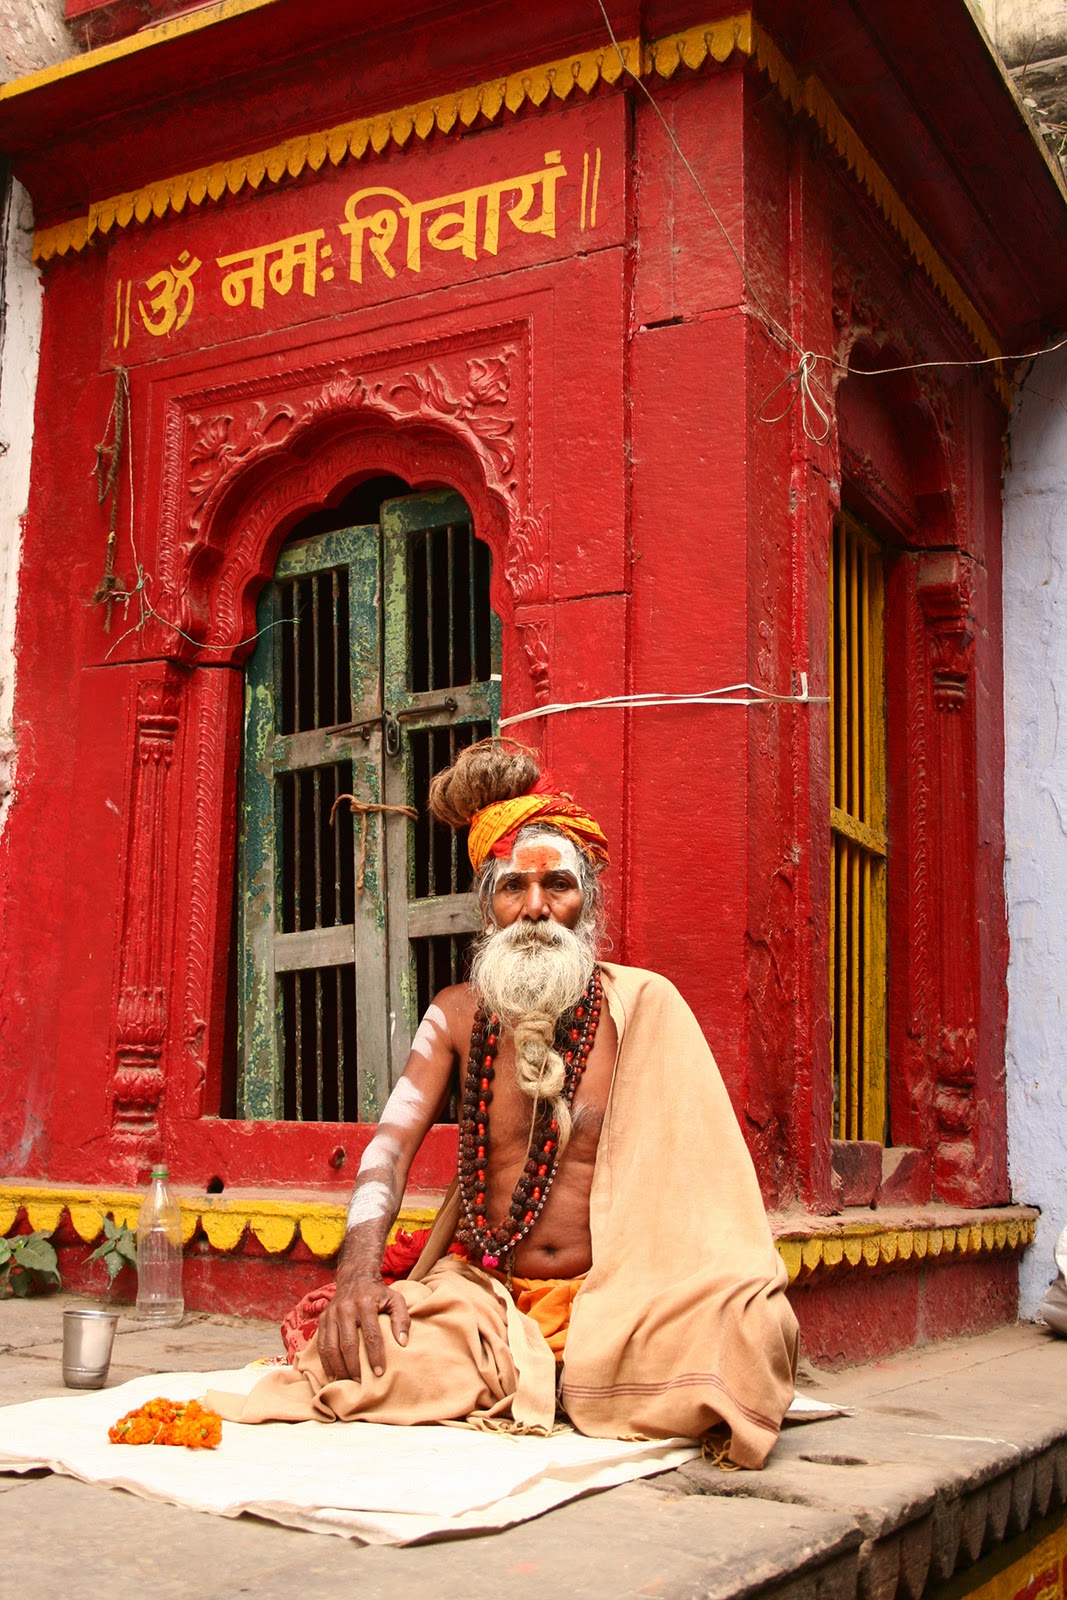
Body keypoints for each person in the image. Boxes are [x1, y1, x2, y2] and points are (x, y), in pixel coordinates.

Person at [213, 742, 798, 1468]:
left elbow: (713, 1185)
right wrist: (358, 1277)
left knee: (745, 1333)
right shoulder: (456, 1014)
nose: (535, 908)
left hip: (631, 1295)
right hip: (487, 1298)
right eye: (512, 888)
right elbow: (387, 1150)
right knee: (366, 1364)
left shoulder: (645, 1007)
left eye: (557, 884)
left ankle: (575, 1373)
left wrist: (711, 1283)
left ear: (588, 900)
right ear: (487, 905)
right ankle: (555, 1380)